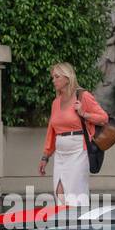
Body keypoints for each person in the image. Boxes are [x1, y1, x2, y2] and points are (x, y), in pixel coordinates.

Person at [38, 62, 109, 207]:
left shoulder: (83, 96)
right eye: (53, 77)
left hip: (78, 150)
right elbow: (51, 131)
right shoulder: (55, 103)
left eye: (57, 77)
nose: (53, 80)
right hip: (60, 152)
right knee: (59, 193)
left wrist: (83, 113)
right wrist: (45, 156)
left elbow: (103, 118)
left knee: (75, 194)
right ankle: (65, 227)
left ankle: (80, 226)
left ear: (67, 78)